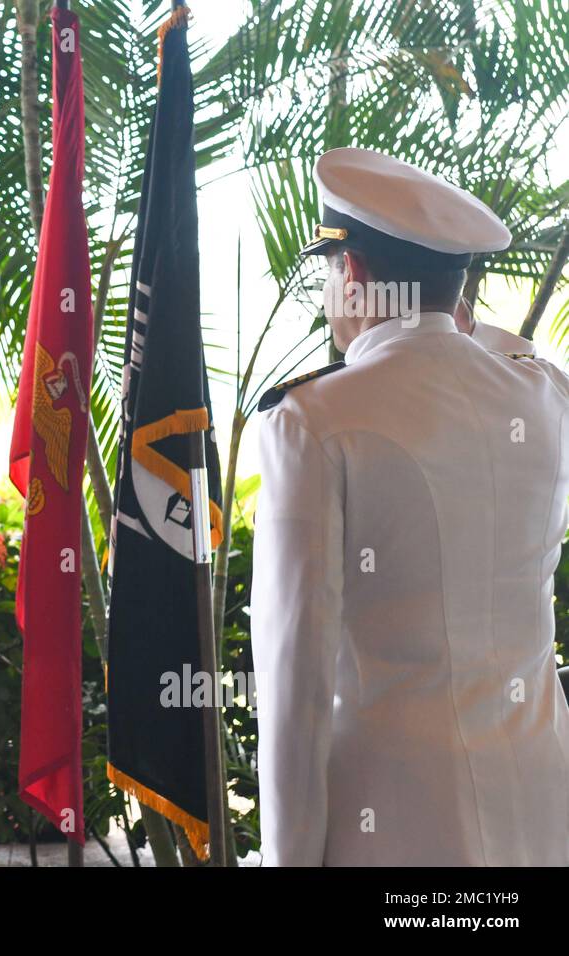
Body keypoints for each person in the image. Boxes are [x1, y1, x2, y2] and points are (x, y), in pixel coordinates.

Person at [251, 146, 569, 866]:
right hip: (545, 809)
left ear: (353, 276)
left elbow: (295, 678)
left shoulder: (311, 422)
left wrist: (287, 860)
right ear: (459, 285)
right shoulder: (546, 394)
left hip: (397, 827)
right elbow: (487, 348)